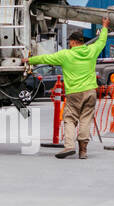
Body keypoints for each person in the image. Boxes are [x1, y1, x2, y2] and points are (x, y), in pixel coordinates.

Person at [27, 18, 109, 158]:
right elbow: (101, 41)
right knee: (85, 119)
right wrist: (105, 26)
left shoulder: (66, 55)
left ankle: (69, 146)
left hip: (74, 93)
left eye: (70, 42)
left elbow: (45, 59)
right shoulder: (91, 51)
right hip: (90, 92)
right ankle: (83, 150)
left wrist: (28, 60)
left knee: (70, 119)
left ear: (73, 42)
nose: (69, 44)